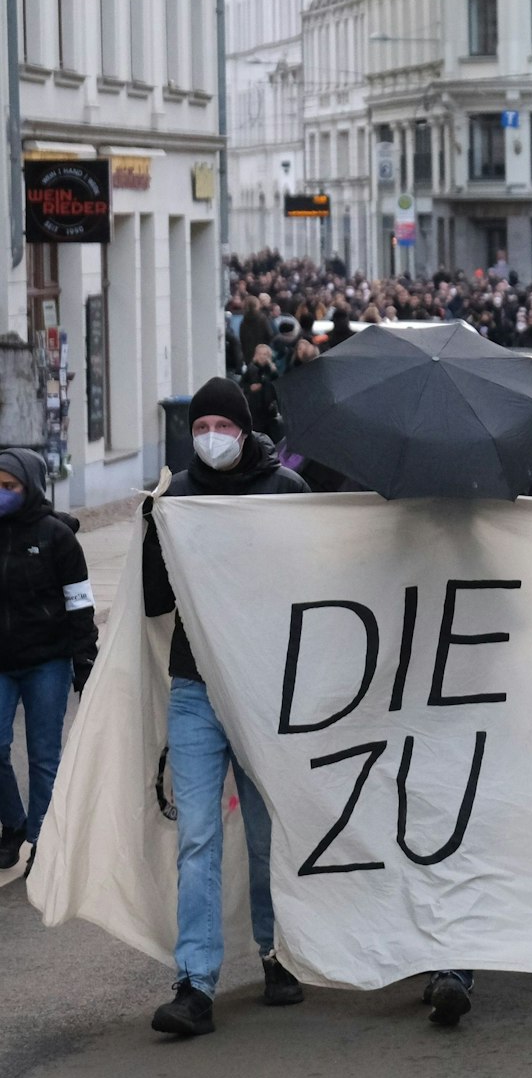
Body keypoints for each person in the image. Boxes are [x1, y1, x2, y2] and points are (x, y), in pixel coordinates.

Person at [145, 378, 310, 1037]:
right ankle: (195, 982)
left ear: (244, 430)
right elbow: (157, 601)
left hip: (262, 686)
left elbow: (311, 588)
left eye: (222, 422)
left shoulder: (285, 494)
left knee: (268, 835)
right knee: (198, 837)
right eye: (200, 422)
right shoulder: (179, 496)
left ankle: (277, 953)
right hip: (195, 686)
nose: (209, 433)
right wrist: (154, 531)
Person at [0, 448, 97, 872]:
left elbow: (79, 603)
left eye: (8, 487)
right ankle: (14, 825)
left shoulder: (57, 537)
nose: (0, 495)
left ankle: (42, 838)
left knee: (43, 755)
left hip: (47, 662)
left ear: (31, 487)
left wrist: (84, 659)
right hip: (2, 662)